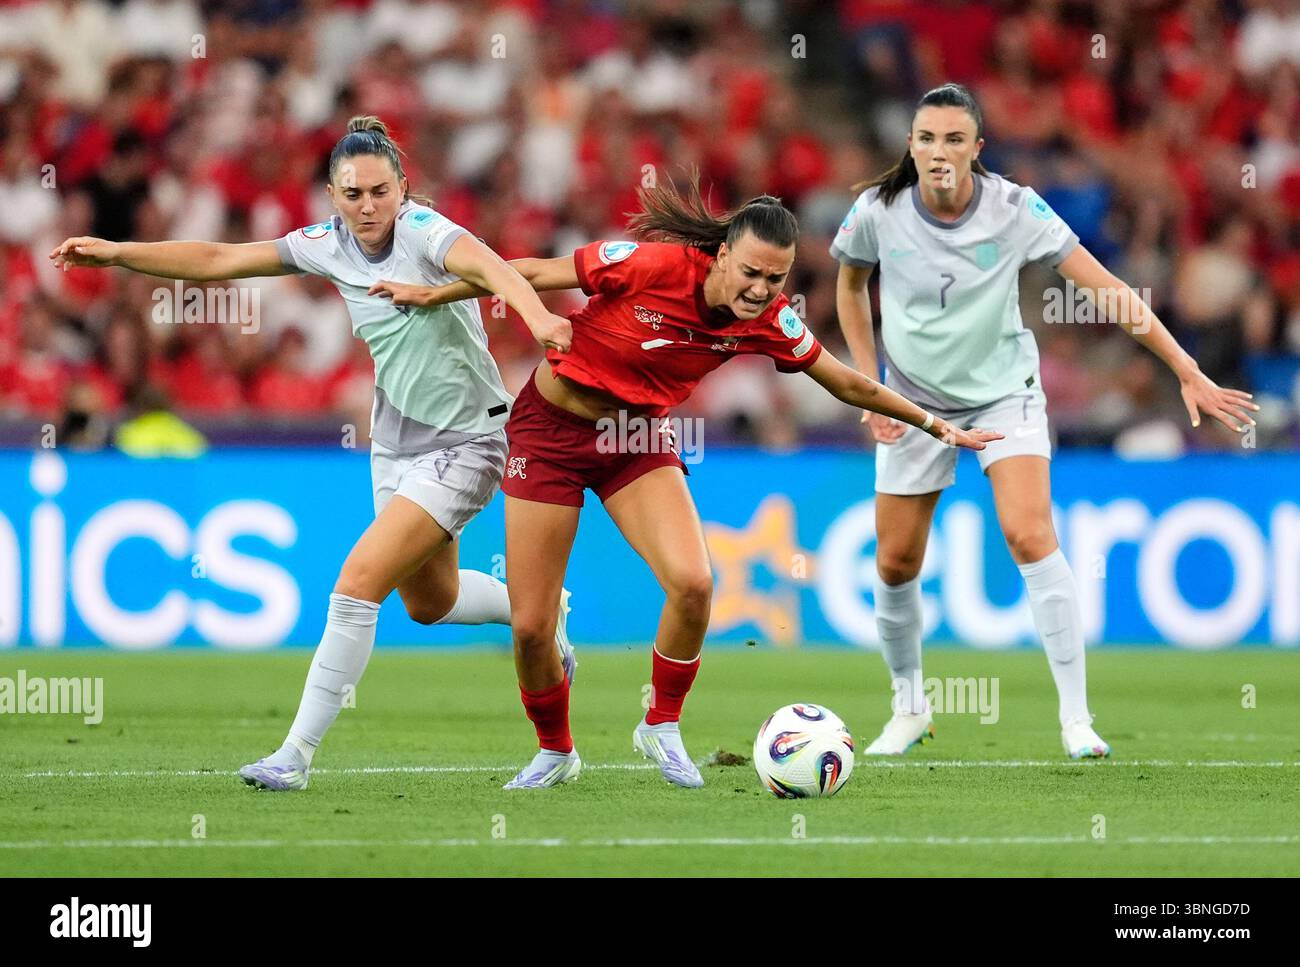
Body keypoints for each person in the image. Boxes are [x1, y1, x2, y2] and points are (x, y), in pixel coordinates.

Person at [370, 176, 1001, 789]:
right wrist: (436, 294)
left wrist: (935, 425)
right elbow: (533, 272)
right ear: (721, 254)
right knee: (532, 626)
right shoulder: (653, 265)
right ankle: (555, 750)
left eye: (775, 278)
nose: (760, 289)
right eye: (750, 272)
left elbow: (847, 382)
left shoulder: (770, 321)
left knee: (695, 583)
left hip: (635, 442)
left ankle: (662, 725)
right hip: (549, 435)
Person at [50, 116, 579, 791]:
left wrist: (538, 319)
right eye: (353, 194)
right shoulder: (326, 244)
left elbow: (495, 269)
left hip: (468, 441)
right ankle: (541, 609)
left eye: (380, 191)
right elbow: (219, 260)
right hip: (394, 440)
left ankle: (294, 755)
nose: (367, 206)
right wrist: (119, 252)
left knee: (358, 583)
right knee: (429, 601)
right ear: (332, 195)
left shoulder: (426, 233)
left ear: (403, 187)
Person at [830, 83, 1258, 759]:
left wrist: (1184, 366)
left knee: (1030, 534)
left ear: (977, 148)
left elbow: (1107, 289)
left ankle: (1076, 719)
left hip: (1004, 392)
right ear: (910, 145)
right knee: (893, 561)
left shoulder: (1014, 208)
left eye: (953, 138)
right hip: (912, 398)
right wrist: (866, 387)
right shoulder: (877, 211)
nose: (938, 151)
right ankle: (908, 706)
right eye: (926, 138)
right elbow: (850, 285)